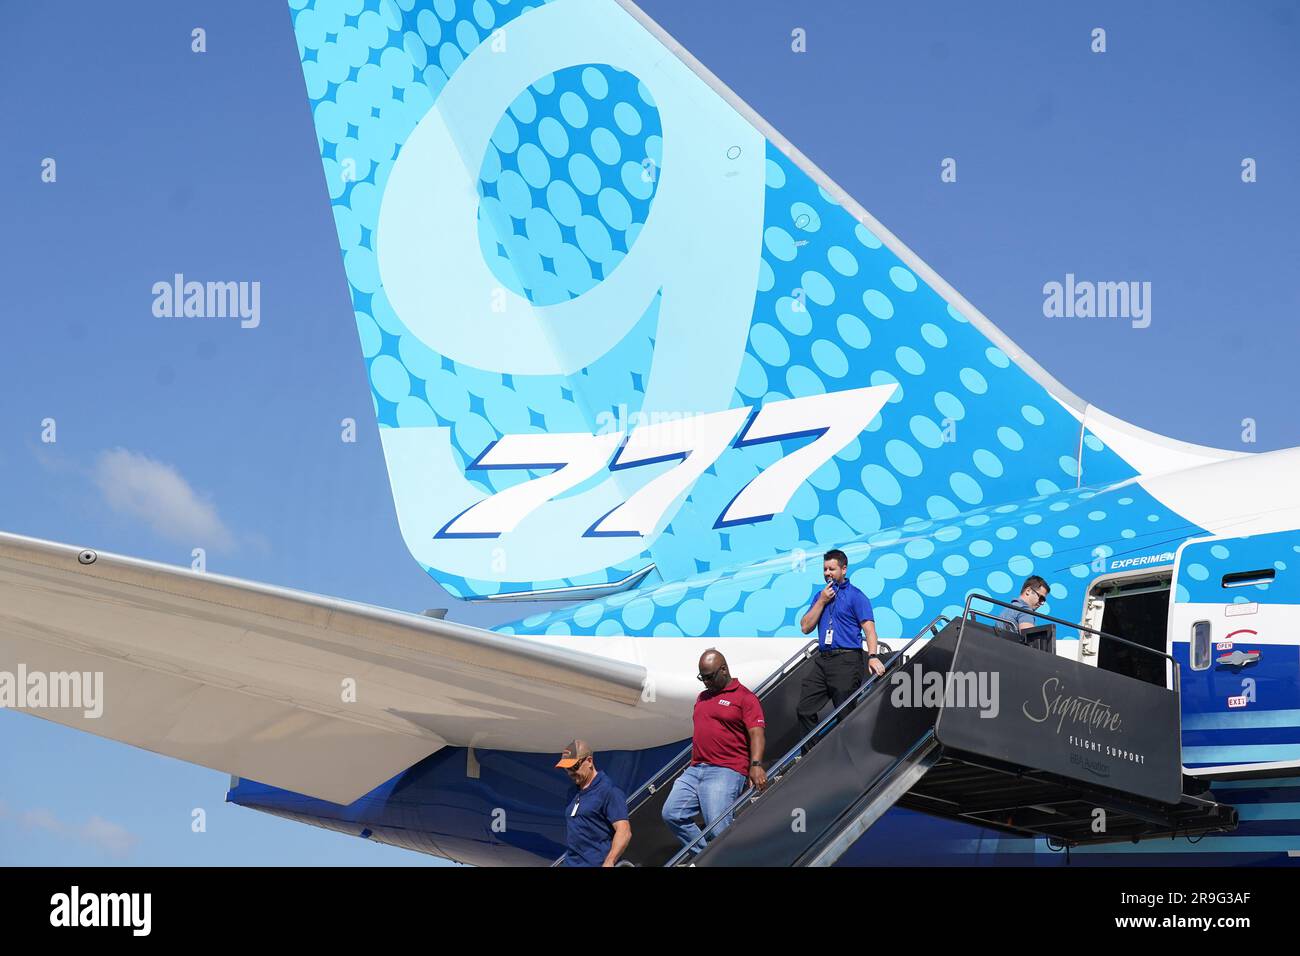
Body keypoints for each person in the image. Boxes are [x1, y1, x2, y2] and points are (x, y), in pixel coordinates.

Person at [661, 649, 766, 853]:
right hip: (695, 769)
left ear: (724, 670)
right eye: (702, 677)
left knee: (718, 828)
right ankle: (707, 857)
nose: (705, 682)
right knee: (672, 813)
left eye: (709, 677)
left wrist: (756, 765)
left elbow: (757, 734)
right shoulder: (702, 697)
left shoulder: (745, 697)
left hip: (725, 770)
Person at [797, 549, 886, 742]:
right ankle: (813, 754)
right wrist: (821, 601)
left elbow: (869, 630)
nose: (827, 573)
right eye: (825, 569)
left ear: (843, 569)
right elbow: (805, 627)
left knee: (845, 713)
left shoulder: (856, 596)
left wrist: (872, 656)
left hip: (847, 659)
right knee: (804, 709)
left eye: (832, 569)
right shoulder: (820, 596)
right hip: (823, 659)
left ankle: (849, 758)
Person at [556, 739, 631, 867]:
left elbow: (624, 831)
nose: (570, 773)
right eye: (566, 769)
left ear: (589, 761)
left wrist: (610, 861)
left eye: (574, 767)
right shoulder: (572, 791)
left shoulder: (609, 791)